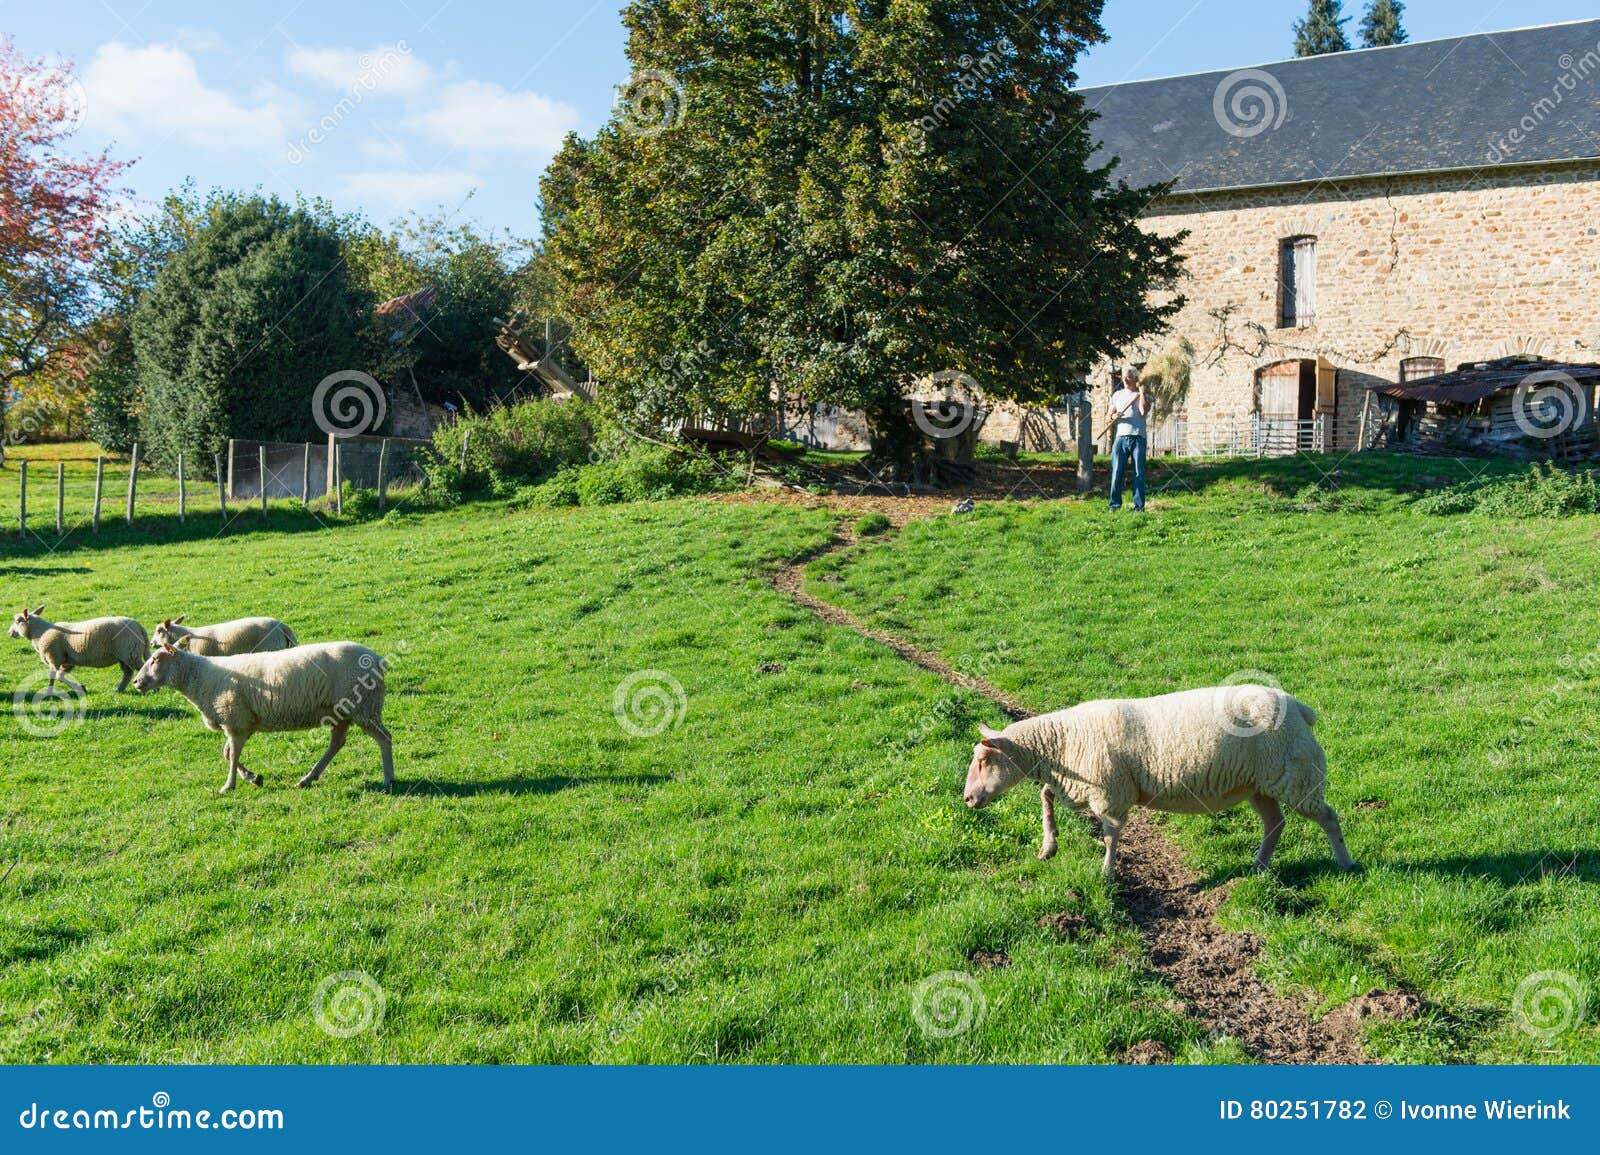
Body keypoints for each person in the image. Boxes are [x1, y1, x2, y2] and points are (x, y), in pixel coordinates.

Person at [1105, 364, 1147, 512]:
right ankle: (1114, 505)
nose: (1125, 380)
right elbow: (1107, 418)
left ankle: (1139, 507)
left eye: (1128, 377)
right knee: (1117, 472)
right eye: (1123, 377)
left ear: (1135, 378)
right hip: (1121, 439)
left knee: (1138, 473)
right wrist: (1113, 416)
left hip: (1138, 438)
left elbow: (1143, 411)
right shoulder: (1117, 395)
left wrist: (1142, 393)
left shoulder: (1141, 394)